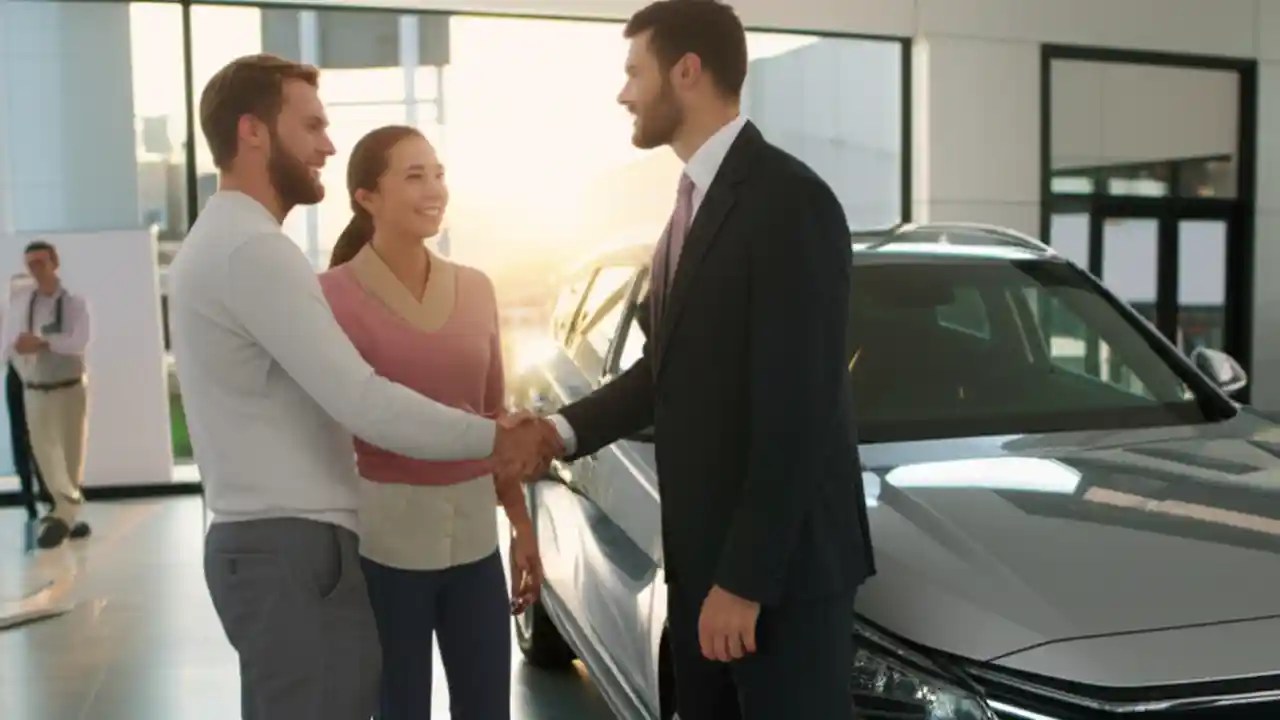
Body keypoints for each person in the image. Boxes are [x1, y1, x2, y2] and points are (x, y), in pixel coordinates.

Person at [168, 55, 557, 720]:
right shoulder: (254, 251)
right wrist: (500, 436)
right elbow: (363, 401)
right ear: (254, 132)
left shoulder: (233, 243)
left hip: (281, 547)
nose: (328, 143)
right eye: (312, 124)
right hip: (293, 550)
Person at [526, 2, 877, 717]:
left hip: (777, 587)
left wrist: (744, 583)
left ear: (686, 71)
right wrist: (556, 432)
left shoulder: (791, 203)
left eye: (634, 70)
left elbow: (799, 411)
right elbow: (666, 372)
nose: (623, 92)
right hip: (703, 575)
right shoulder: (686, 210)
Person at [320, 124, 541, 720]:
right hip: (385, 547)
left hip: (475, 543)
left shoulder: (476, 287)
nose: (434, 189)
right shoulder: (329, 297)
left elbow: (493, 418)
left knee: (488, 707)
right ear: (366, 197)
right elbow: (328, 431)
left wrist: (519, 524)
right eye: (414, 176)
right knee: (401, 710)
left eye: (438, 174)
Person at [0, 241, 93, 549]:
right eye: (31, 264)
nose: (35, 269)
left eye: (41, 262)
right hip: (35, 388)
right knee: (44, 453)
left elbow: (77, 341)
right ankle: (62, 514)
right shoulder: (21, 304)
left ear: (54, 262)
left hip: (69, 386)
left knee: (70, 454)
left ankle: (64, 515)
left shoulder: (74, 302)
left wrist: (41, 343)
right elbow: (10, 342)